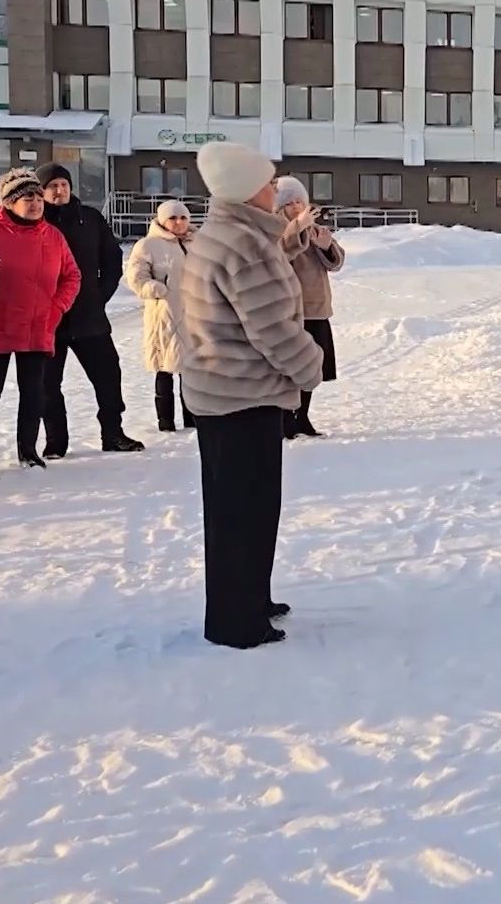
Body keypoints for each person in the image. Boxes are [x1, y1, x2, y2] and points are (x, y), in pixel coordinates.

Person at [177, 142, 325, 649]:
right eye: (268, 182)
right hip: (243, 396)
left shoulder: (227, 235)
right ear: (245, 190)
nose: (274, 189)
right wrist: (310, 367)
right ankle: (237, 621)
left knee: (240, 510)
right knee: (244, 512)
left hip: (223, 392)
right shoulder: (244, 245)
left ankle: (249, 599)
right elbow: (271, 328)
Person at [0, 169, 81, 472]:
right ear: (9, 202)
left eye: (38, 198)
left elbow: (72, 276)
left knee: (33, 391)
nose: (35, 203)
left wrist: (56, 308)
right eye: (27, 198)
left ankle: (28, 452)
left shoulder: (53, 235)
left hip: (37, 324)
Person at [38, 162, 141, 456]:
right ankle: (55, 442)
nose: (59, 191)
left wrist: (98, 296)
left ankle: (113, 433)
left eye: (64, 185)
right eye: (52, 186)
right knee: (47, 384)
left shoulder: (91, 219)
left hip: (89, 316)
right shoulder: (36, 222)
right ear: (41, 191)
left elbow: (112, 260)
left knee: (108, 376)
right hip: (49, 320)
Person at [275, 177, 346, 439]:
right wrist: (297, 227)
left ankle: (302, 417)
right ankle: (286, 419)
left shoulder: (315, 228)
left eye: (299, 201)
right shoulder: (275, 230)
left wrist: (327, 248)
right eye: (289, 203)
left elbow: (336, 261)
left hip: (317, 310)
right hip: (291, 312)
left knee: (312, 368)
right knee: (291, 369)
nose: (296, 207)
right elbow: (279, 252)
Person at [123, 199, 196, 432]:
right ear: (162, 221)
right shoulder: (148, 245)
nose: (179, 222)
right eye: (173, 218)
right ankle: (165, 421)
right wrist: (155, 288)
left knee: (191, 371)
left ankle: (192, 419)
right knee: (164, 368)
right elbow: (136, 277)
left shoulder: (198, 243)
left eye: (183, 217)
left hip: (194, 316)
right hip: (164, 314)